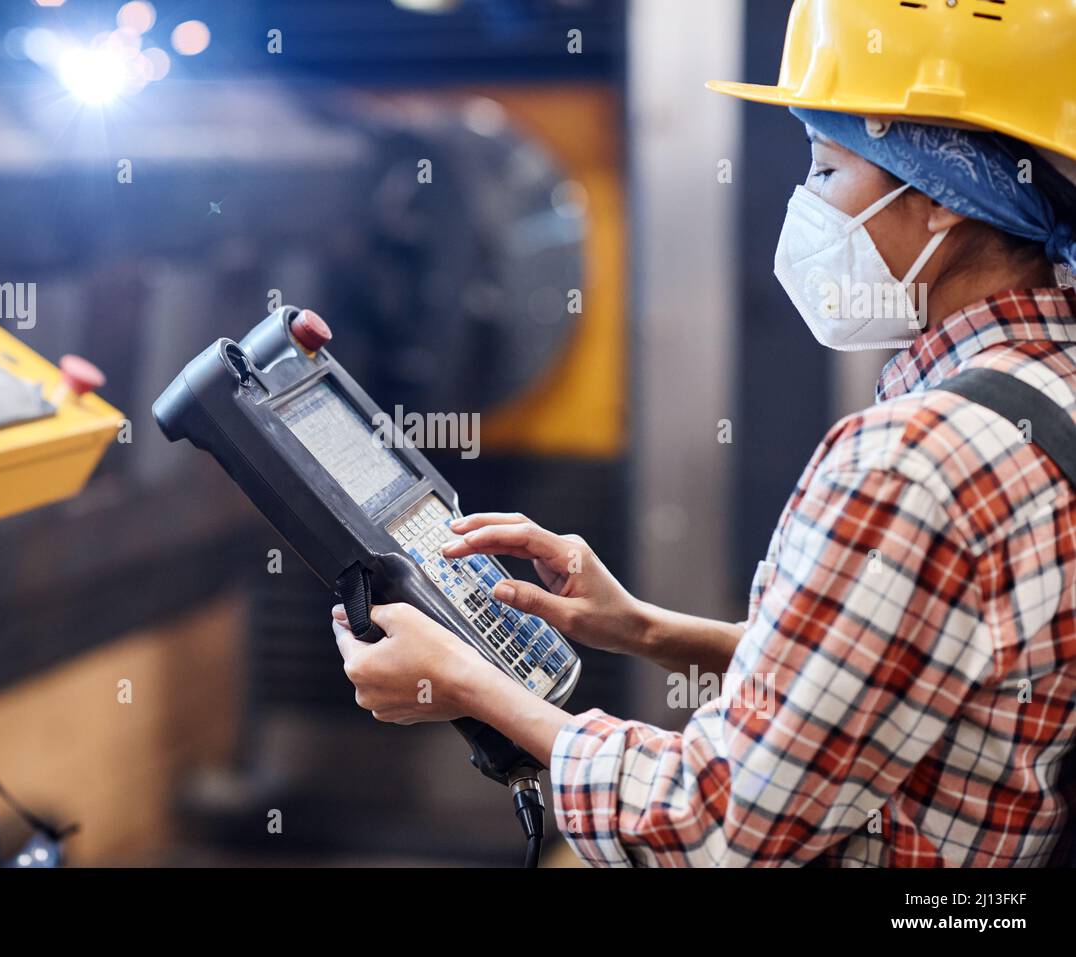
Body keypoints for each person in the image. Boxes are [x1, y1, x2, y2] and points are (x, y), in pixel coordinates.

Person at [333, 0, 1076, 866]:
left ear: (944, 196)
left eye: (830, 171)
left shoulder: (912, 462)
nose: (805, 204)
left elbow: (717, 828)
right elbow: (918, 672)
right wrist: (648, 629)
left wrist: (477, 686)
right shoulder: (1046, 391)